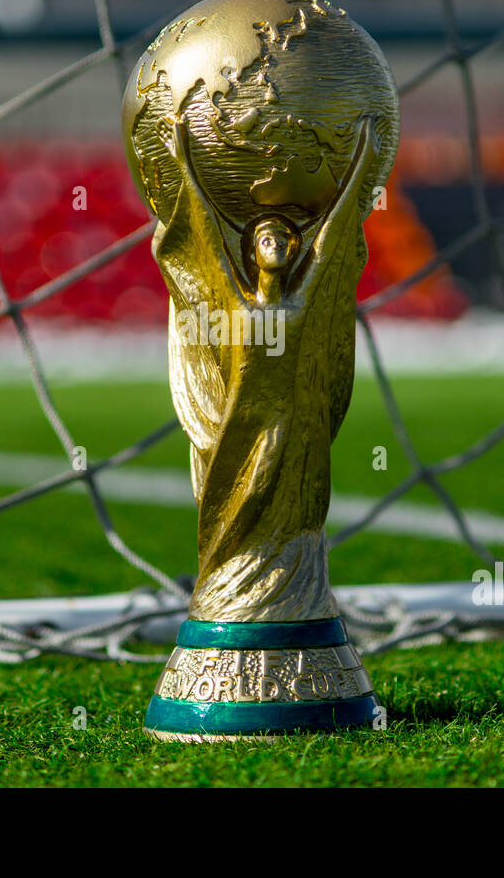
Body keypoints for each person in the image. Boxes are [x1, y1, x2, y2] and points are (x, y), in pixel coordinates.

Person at [152, 116, 382, 621]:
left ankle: (293, 607)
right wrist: (184, 163)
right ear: (252, 253)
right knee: (235, 526)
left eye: (282, 240)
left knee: (298, 527)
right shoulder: (232, 307)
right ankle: (233, 605)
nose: (275, 245)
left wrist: (362, 162)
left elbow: (337, 234)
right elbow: (205, 239)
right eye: (264, 241)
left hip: (298, 434)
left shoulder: (304, 302)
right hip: (241, 430)